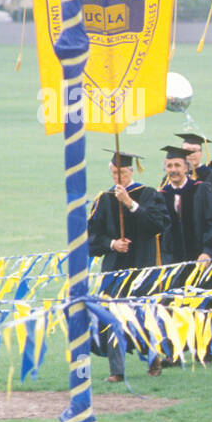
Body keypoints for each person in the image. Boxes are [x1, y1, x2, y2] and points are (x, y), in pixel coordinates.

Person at [88, 152, 170, 381]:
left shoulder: (148, 194)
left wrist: (130, 204)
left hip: (142, 266)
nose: (118, 178)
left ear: (131, 172)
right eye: (114, 173)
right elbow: (91, 237)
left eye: (122, 173)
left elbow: (159, 225)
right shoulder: (103, 199)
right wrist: (112, 244)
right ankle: (117, 370)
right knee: (113, 316)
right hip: (115, 269)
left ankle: (153, 358)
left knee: (145, 314)